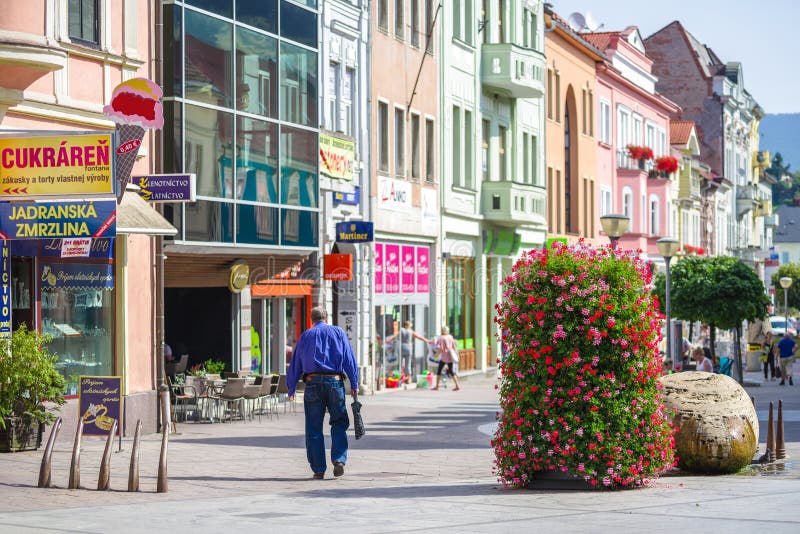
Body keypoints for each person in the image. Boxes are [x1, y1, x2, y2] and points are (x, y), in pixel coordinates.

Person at [287, 306, 359, 479]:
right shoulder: (338, 332)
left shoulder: (306, 336)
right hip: (335, 382)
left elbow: (295, 362)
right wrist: (354, 382)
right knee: (339, 422)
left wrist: (291, 386)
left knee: (313, 428)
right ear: (327, 318)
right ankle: (339, 459)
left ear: (312, 319)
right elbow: (349, 359)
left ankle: (318, 470)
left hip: (312, 383)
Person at [432, 326, 461, 391]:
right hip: (450, 356)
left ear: (442, 331)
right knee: (451, 371)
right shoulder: (450, 337)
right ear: (447, 331)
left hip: (444, 357)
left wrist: (436, 355)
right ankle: (457, 385)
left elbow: (441, 348)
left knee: (439, 371)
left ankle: (437, 386)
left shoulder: (441, 338)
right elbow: (454, 346)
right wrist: (456, 354)